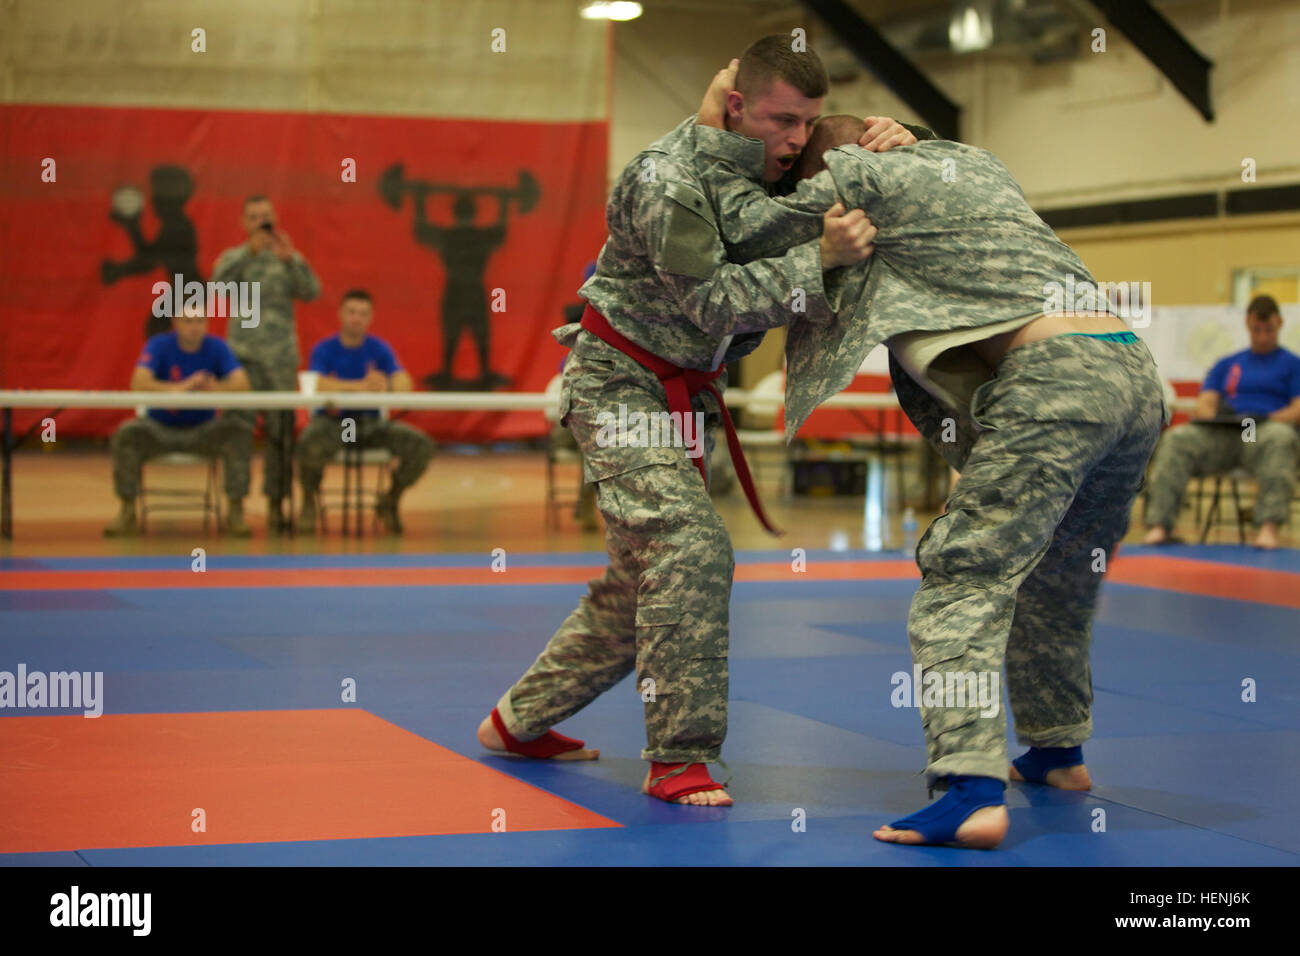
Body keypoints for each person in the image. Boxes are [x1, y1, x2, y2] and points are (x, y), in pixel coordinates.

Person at [689, 102, 1168, 846]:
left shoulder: (851, 183)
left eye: (793, 160)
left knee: (963, 574)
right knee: (1058, 577)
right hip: (1133, 374)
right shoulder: (973, 163)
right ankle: (1057, 751)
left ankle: (969, 787)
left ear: (828, 166)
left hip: (1055, 381)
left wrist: (714, 120)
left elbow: (740, 227)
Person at [475, 36, 918, 806]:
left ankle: (519, 720)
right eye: (783, 120)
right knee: (690, 546)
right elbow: (715, 301)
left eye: (807, 126)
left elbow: (772, 219)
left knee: (640, 579)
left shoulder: (759, 165)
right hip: (617, 387)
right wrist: (823, 257)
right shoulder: (667, 178)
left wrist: (890, 145)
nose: (796, 140)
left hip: (683, 396)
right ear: (737, 105)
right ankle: (679, 755)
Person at [1142, 296, 1300, 549]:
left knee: (1280, 438)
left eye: (1268, 330)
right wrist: (1213, 416)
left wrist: (1266, 419)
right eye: (1256, 330)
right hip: (1227, 432)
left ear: (1279, 324)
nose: (1262, 336)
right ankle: (1160, 526)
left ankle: (1268, 528)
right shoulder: (1228, 364)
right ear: (1248, 325)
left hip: (1265, 431)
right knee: (1177, 439)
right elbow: (1206, 402)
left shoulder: (1293, 365)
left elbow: (1297, 408)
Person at [212, 194, 321, 533]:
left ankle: (277, 505)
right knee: (238, 432)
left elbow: (311, 291)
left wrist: (291, 262)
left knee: (280, 435)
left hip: (279, 360)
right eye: (254, 217)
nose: (261, 222)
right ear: (244, 224)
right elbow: (216, 287)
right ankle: (235, 506)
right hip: (242, 360)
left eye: (266, 216)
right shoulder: (235, 258)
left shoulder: (286, 258)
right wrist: (251, 253)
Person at [104, 303, 253, 536]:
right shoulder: (160, 345)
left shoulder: (217, 347)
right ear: (175, 323)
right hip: (160, 430)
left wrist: (215, 388)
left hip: (203, 431)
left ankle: (235, 511)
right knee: (127, 434)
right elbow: (138, 382)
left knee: (239, 432)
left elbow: (242, 384)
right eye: (188, 322)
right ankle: (127, 509)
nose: (195, 328)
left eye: (200, 321)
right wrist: (181, 388)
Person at [296, 290, 435, 534]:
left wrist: (386, 384)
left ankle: (391, 499)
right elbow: (315, 383)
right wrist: (358, 386)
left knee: (420, 445)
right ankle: (309, 500)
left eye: (362, 313)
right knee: (308, 442)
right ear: (340, 314)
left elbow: (404, 383)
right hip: (334, 424)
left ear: (370, 318)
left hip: (369, 425)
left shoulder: (379, 349)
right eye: (351, 312)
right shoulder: (324, 349)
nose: (356, 318)